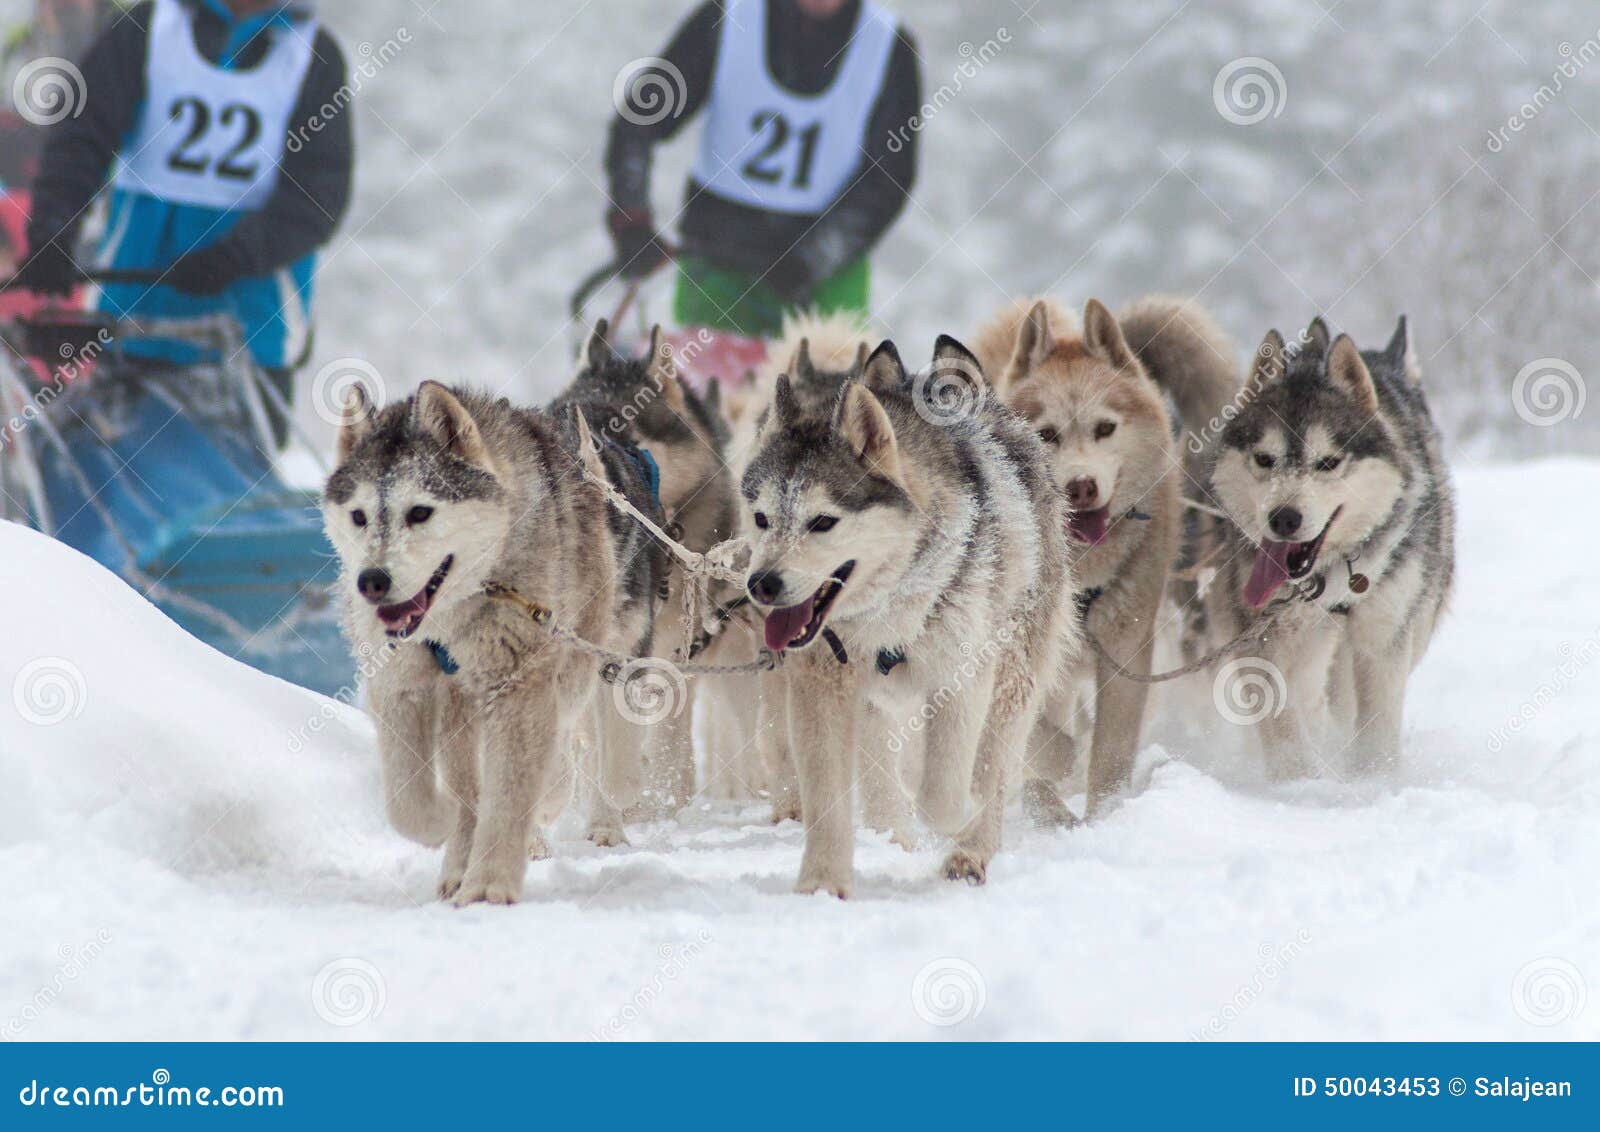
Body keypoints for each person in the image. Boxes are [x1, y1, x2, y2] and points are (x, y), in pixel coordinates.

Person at [12, 0, 353, 441]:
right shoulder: (145, 29)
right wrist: (53, 232)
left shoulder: (314, 56)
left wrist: (232, 258)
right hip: (128, 325)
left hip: (251, 337)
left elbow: (318, 198)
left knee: (231, 495)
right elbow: (82, 140)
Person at [605, 0, 921, 339]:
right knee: (706, 388)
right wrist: (631, 218)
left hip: (827, 276)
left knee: (832, 389)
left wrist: (813, 258)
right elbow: (638, 122)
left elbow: (889, 179)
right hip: (719, 263)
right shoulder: (726, 18)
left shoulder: (889, 45)